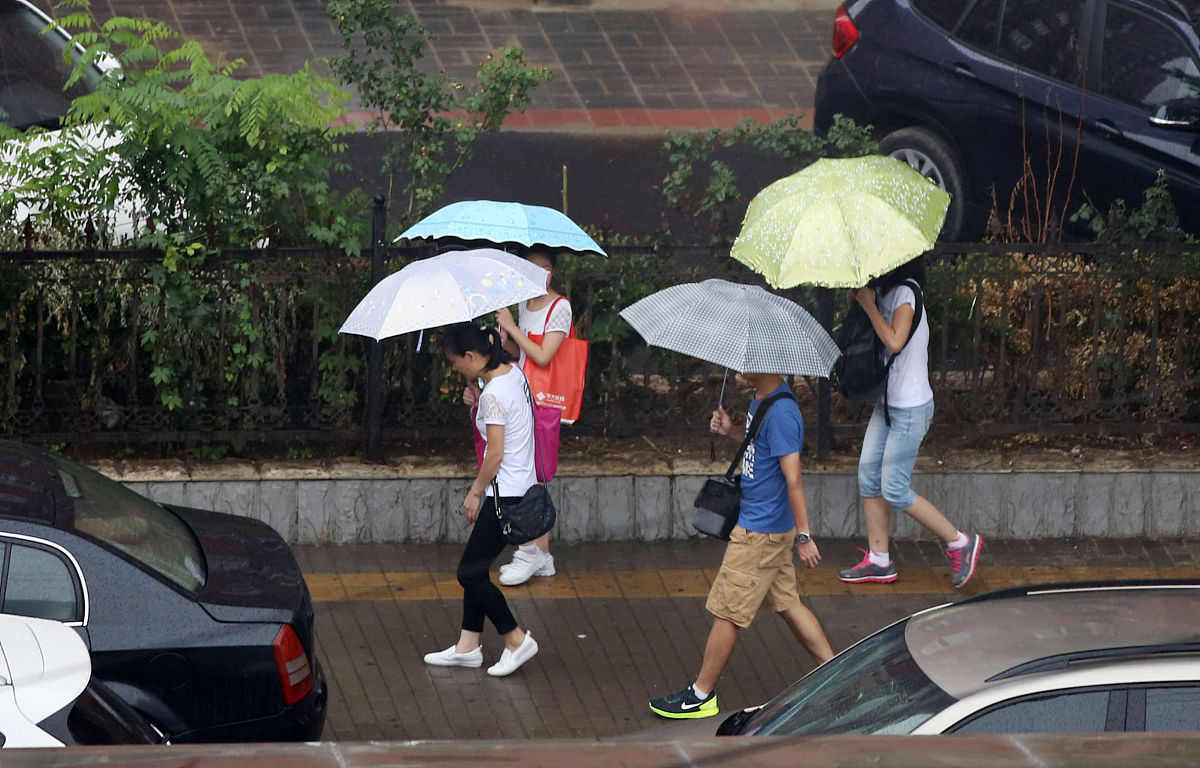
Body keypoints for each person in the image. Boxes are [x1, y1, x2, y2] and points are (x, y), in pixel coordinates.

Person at [648, 372, 834, 720]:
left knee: (727, 611)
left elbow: (793, 478)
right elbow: (760, 449)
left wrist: (805, 536)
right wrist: (732, 430)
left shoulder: (781, 413)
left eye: (744, 364)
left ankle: (701, 695)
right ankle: (835, 670)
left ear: (764, 364)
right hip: (764, 528)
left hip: (759, 534)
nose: (736, 370)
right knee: (788, 603)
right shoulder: (763, 399)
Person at [837, 257, 982, 589]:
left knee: (895, 489)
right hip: (887, 404)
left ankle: (960, 542)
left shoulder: (906, 292)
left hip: (911, 408)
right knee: (868, 476)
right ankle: (879, 560)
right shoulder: (884, 291)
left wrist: (870, 308)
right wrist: (861, 300)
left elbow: (895, 341)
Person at [424, 322, 539, 677]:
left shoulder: (492, 394)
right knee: (475, 568)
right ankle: (468, 646)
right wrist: (476, 398)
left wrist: (475, 493)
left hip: (503, 494)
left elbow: (495, 454)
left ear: (472, 356)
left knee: (469, 573)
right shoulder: (513, 374)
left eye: (456, 361)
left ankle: (516, 639)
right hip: (521, 488)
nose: (454, 367)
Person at [488, 247, 571, 587]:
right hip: (522, 397)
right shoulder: (523, 304)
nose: (540, 274)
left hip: (545, 402)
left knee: (533, 472)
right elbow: (522, 352)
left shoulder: (560, 307)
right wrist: (506, 338)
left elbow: (542, 355)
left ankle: (531, 552)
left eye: (546, 268)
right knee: (528, 469)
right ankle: (542, 556)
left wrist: (512, 326)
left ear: (554, 271)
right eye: (533, 268)